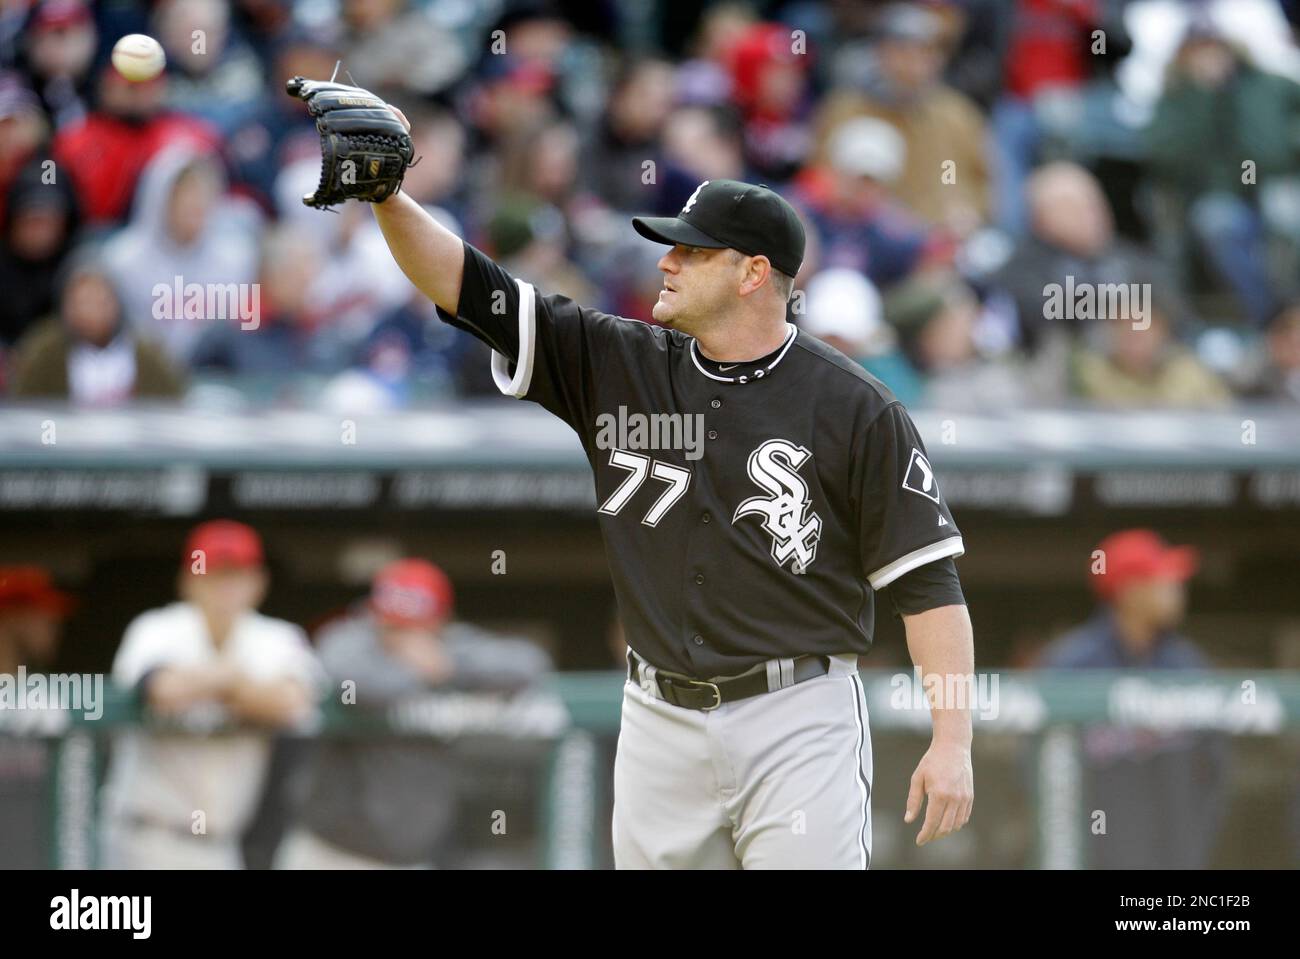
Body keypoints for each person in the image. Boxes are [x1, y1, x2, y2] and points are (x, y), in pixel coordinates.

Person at [355, 96, 975, 868]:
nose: (665, 261)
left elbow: (929, 585)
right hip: (657, 715)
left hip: (797, 713)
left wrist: (952, 740)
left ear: (753, 273)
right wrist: (387, 196)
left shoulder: (855, 407)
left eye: (691, 251)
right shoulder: (618, 361)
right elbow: (466, 287)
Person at [276, 558, 552, 869]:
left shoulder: (451, 648)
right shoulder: (350, 638)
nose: (403, 637)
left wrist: (450, 666)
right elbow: (350, 681)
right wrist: (419, 670)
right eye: (393, 626)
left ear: (441, 621)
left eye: (415, 626)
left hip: (412, 858)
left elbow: (530, 663)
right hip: (328, 854)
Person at [98, 520, 322, 869]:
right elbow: (161, 690)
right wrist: (239, 684)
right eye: (215, 573)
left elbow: (291, 702)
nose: (226, 585)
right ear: (188, 580)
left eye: (237, 574)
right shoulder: (156, 629)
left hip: (222, 847)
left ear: (259, 582)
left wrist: (215, 683)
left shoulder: (276, 638)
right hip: (146, 840)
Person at [1037, 529, 1230, 869]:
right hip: (1092, 855)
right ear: (1129, 592)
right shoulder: (1070, 665)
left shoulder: (1188, 665)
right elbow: (1037, 766)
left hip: (1173, 857)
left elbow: (1216, 768)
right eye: (1163, 580)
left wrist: (1193, 842)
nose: (1176, 590)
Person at [10, 247, 185, 404]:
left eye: (100, 301)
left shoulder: (147, 352)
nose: (91, 313)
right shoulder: (43, 353)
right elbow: (26, 409)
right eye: (82, 303)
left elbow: (173, 403)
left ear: (117, 303)